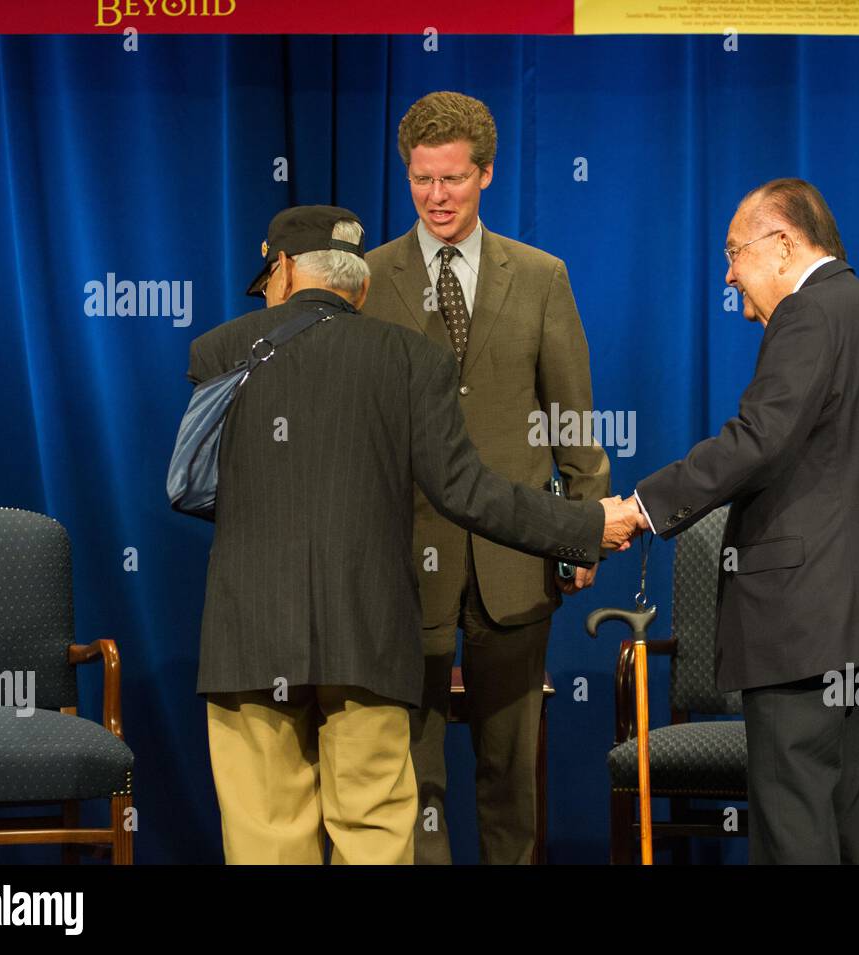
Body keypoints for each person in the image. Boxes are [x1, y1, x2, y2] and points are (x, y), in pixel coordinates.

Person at [184, 204, 638, 864]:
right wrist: (588, 523)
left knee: (267, 841)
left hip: (250, 637)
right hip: (365, 634)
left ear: (280, 270)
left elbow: (191, 485)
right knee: (372, 834)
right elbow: (470, 494)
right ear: (361, 285)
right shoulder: (413, 360)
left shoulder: (219, 351)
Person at [613, 179, 859, 864]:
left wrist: (641, 506)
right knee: (851, 828)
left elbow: (757, 440)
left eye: (734, 252)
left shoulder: (809, 313)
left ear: (782, 243)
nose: (728, 275)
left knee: (795, 831)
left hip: (806, 623)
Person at [363, 91, 611, 864]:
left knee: (511, 770)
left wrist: (584, 528)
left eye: (454, 179)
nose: (437, 197)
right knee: (413, 769)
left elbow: (572, 419)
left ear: (487, 174)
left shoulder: (540, 277)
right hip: (402, 562)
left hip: (515, 561)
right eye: (421, 180)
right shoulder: (369, 279)